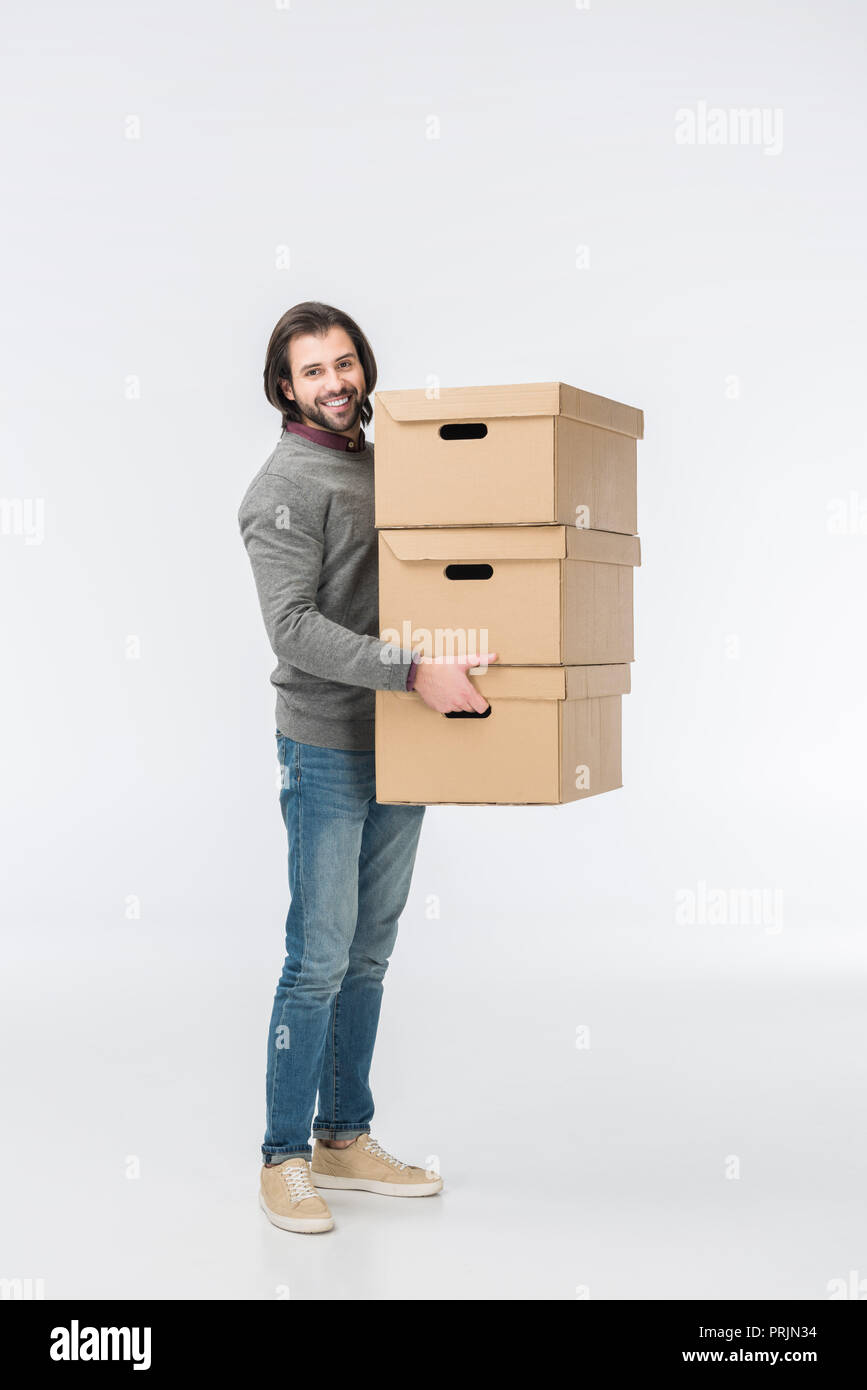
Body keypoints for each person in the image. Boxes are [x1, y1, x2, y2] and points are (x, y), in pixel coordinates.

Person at [238, 301, 498, 1233]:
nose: (335, 383)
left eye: (344, 363)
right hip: (326, 743)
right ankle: (282, 1156)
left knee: (369, 953)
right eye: (313, 371)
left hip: (405, 737)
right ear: (284, 387)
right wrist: (411, 670)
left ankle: (343, 1136)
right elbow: (293, 630)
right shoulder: (281, 486)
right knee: (316, 958)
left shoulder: (392, 465)